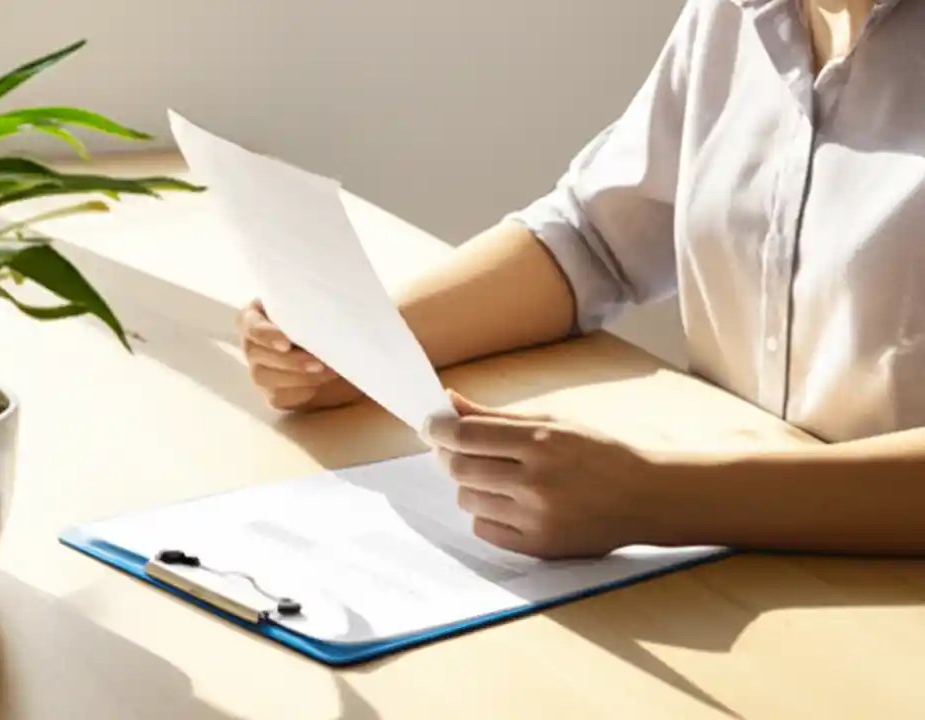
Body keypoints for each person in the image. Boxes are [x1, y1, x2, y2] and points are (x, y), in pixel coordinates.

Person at [237, 0, 925, 558]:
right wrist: (358, 343)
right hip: (736, 562)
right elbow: (593, 238)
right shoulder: (734, 17)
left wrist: (655, 496)